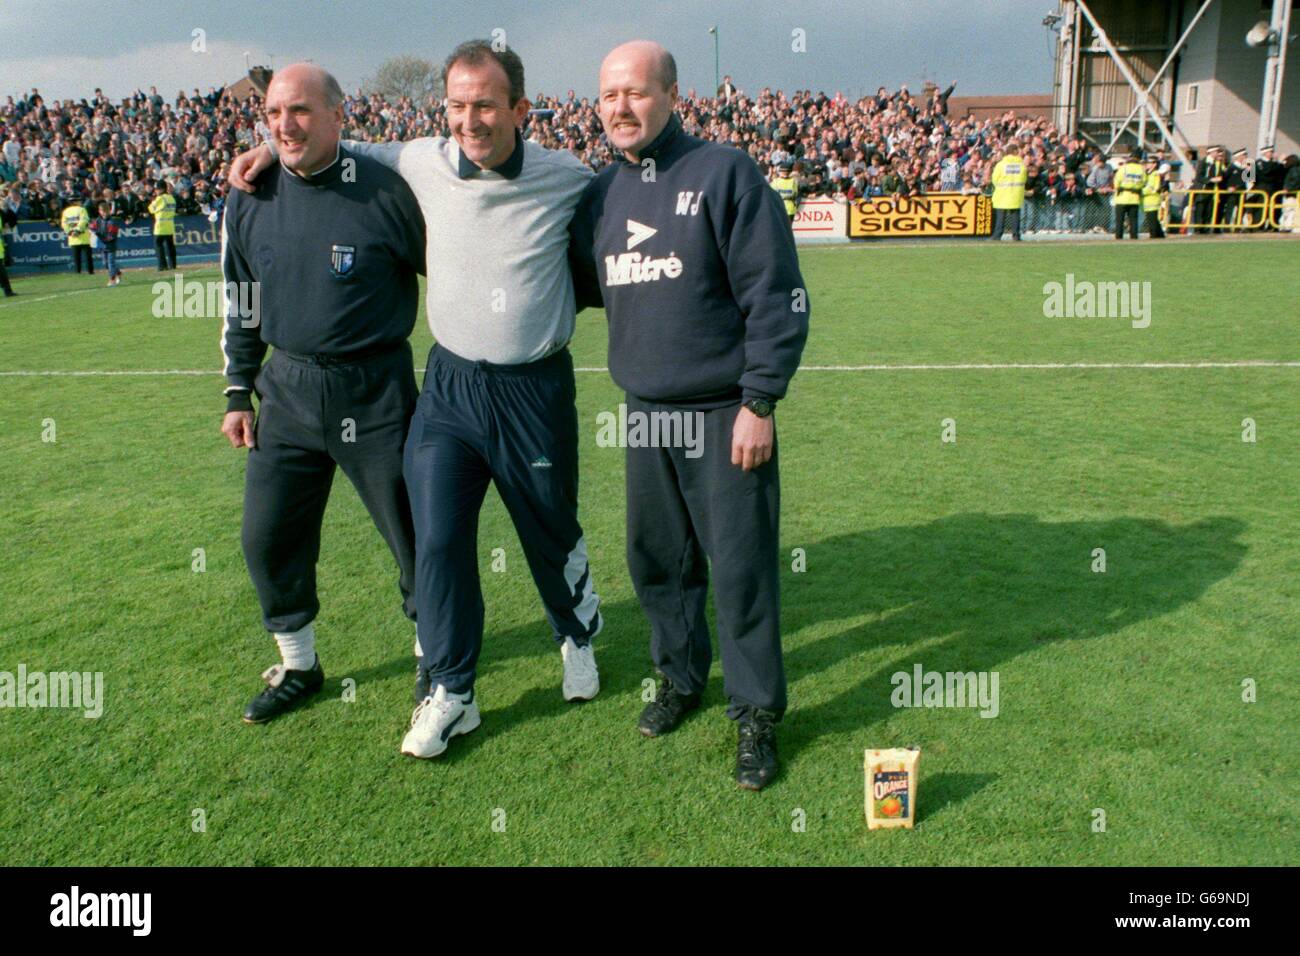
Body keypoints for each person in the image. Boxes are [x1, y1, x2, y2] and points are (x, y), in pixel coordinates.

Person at [231, 41, 605, 757]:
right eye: (457, 106)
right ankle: (452, 689)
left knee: (550, 529)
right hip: (449, 389)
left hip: (534, 390)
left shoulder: (570, 177)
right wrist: (269, 152)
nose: (470, 120)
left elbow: (600, 255)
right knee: (434, 540)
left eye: (486, 105)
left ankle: (576, 632)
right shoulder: (420, 162)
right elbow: (333, 142)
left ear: (520, 110)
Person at [569, 40, 810, 790]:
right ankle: (679, 677)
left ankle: (757, 717)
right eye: (608, 95)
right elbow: (575, 282)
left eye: (635, 92)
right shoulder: (598, 196)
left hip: (723, 413)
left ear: (673, 95)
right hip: (646, 413)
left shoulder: (724, 173)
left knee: (740, 570)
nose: (619, 107)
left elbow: (777, 295)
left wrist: (759, 400)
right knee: (659, 563)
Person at [219, 63, 428, 725]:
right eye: (276, 113)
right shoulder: (249, 195)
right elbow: (242, 301)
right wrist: (235, 391)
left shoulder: (388, 193)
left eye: (302, 111)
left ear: (340, 116)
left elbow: (450, 273)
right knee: (266, 536)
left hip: (376, 391)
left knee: (417, 536)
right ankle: (301, 665)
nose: (285, 124)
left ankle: (437, 660)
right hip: (288, 391)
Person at [988, 143, 1026, 240]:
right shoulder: (1021, 165)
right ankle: (1016, 236)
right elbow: (1024, 179)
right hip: (1016, 194)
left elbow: (995, 179)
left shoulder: (1001, 165)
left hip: (1002, 194)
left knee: (1001, 217)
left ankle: (997, 235)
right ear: (1015, 152)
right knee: (1015, 217)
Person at [1192, 147, 1225, 234]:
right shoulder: (1203, 162)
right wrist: (1211, 180)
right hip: (1203, 189)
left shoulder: (1216, 163)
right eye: (1216, 152)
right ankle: (1198, 228)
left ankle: (1205, 228)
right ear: (1210, 152)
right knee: (1200, 209)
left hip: (1211, 190)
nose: (1217, 154)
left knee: (1209, 209)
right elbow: (1199, 177)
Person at [1113, 151, 1144, 239]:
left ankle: (1119, 237)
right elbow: (1144, 182)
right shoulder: (1141, 169)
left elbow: (1117, 181)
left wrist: (1118, 188)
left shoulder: (1124, 168)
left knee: (1119, 220)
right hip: (1134, 198)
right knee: (1133, 220)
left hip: (1122, 198)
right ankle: (1133, 237)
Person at [89, 201, 123, 284]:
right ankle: (118, 272)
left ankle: (112, 279)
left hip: (111, 245)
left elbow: (111, 236)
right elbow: (92, 227)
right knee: (105, 264)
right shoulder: (97, 221)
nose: (104, 213)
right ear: (99, 211)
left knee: (111, 263)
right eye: (102, 211)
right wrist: (92, 231)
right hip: (102, 246)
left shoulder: (113, 221)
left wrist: (99, 235)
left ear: (109, 211)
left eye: (105, 211)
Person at [60, 194, 93, 274]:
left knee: (76, 258)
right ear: (76, 202)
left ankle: (77, 272)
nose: (80, 202)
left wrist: (71, 232)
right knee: (88, 257)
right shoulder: (82, 210)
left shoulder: (66, 211)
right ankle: (90, 272)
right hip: (84, 237)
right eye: (79, 200)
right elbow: (84, 221)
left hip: (73, 238)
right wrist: (77, 231)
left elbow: (64, 224)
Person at [148, 181, 176, 270]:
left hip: (160, 226)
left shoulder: (160, 198)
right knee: (170, 246)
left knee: (158, 245)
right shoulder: (171, 198)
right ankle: (172, 265)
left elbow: (151, 209)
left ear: (162, 189)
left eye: (157, 189)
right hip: (170, 225)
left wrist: (153, 201)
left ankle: (162, 265)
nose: (156, 191)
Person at [1140, 156, 1165, 239]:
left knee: (1152, 220)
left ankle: (1153, 235)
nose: (1147, 164)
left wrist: (1141, 192)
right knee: (1152, 219)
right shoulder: (1148, 174)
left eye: (1149, 163)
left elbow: (1152, 187)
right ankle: (1160, 235)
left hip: (1152, 200)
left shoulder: (1155, 174)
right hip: (1147, 201)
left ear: (1154, 164)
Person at [770, 161, 799, 227]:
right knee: (788, 229)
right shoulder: (793, 181)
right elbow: (795, 193)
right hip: (790, 208)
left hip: (778, 208)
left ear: (780, 172)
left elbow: (771, 195)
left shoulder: (775, 182)